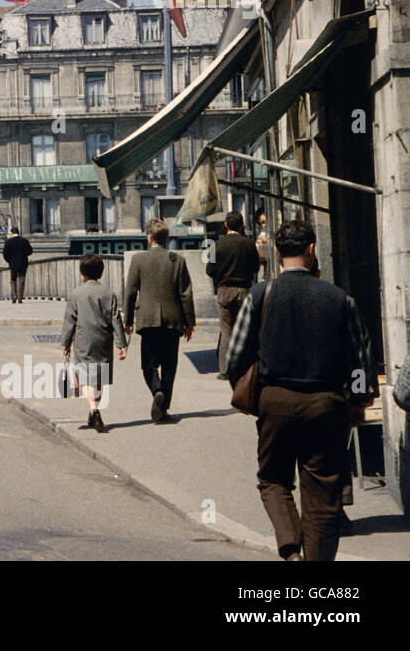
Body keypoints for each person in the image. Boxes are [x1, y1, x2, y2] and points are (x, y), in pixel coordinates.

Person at [226, 219, 379, 562]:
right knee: (323, 496)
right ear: (312, 251)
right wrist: (357, 401)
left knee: (273, 480)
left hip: (274, 401)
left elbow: (235, 355)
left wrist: (246, 387)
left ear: (277, 252)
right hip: (326, 405)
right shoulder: (341, 299)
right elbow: (359, 361)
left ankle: (290, 548)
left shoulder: (260, 295)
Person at [123, 217, 196, 423]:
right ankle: (163, 407)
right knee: (170, 365)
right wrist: (190, 322)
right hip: (173, 320)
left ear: (149, 238)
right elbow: (186, 294)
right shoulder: (178, 260)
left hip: (147, 319)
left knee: (149, 364)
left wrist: (127, 319)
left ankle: (157, 390)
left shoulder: (138, 260)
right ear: (166, 238)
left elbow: (130, 292)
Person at [61, 253, 128, 433]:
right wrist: (122, 344)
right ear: (101, 272)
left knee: (86, 379)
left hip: (84, 340)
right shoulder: (109, 293)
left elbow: (70, 321)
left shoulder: (76, 294)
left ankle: (94, 410)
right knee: (100, 378)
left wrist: (66, 343)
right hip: (104, 340)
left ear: (82, 273)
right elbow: (116, 319)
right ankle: (95, 411)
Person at [207, 210, 259, 379]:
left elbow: (209, 270)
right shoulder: (249, 244)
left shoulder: (217, 245)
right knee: (246, 328)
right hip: (243, 290)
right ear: (242, 224)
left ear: (226, 225)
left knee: (226, 329)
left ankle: (225, 369)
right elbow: (256, 267)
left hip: (224, 290)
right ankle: (245, 366)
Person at [2, 226, 33, 304]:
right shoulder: (24, 241)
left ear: (12, 233)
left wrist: (9, 261)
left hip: (12, 264)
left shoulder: (8, 242)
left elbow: (5, 254)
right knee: (21, 279)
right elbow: (30, 251)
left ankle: (14, 295)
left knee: (13, 280)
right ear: (18, 232)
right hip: (23, 263)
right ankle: (20, 297)